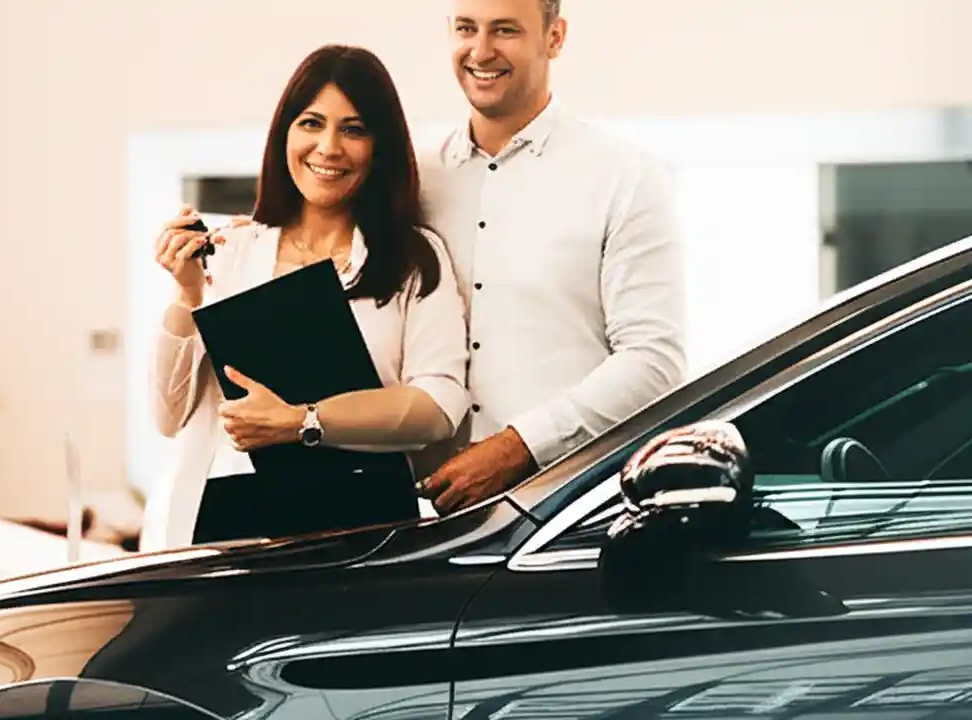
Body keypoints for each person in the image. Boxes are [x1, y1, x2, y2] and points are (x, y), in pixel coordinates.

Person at [140, 45, 470, 552]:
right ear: (285, 135)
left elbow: (438, 406)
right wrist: (187, 293)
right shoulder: (231, 251)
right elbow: (169, 416)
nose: (329, 147)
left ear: (379, 145)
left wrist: (301, 421)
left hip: (362, 523)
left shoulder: (413, 258)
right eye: (311, 123)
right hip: (231, 524)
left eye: (353, 129)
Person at [415, 0, 688, 514]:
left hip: (562, 521)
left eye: (505, 30)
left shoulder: (623, 175)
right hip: (413, 532)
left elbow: (654, 361)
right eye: (466, 29)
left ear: (555, 38)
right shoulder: (412, 178)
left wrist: (520, 446)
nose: (481, 50)